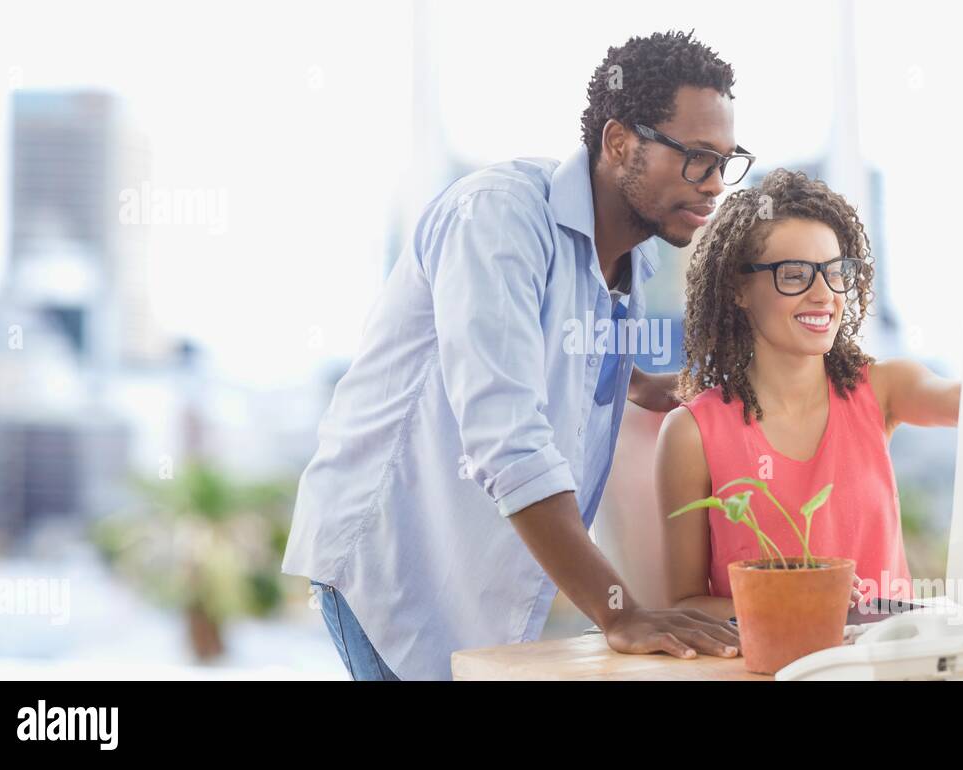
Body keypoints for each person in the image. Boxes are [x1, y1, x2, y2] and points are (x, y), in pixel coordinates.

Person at [283, 31, 754, 680]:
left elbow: (560, 341)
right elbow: (505, 436)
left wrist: (637, 382)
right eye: (698, 158)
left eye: (728, 162)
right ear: (619, 143)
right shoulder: (498, 219)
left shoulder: (632, 255)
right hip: (393, 558)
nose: (715, 185)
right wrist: (620, 610)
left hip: (480, 573)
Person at [656, 168, 961, 619]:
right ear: (740, 289)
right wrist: (799, 601)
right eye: (795, 274)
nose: (824, 295)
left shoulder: (884, 389)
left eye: (835, 273)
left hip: (890, 662)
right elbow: (683, 606)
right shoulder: (691, 434)